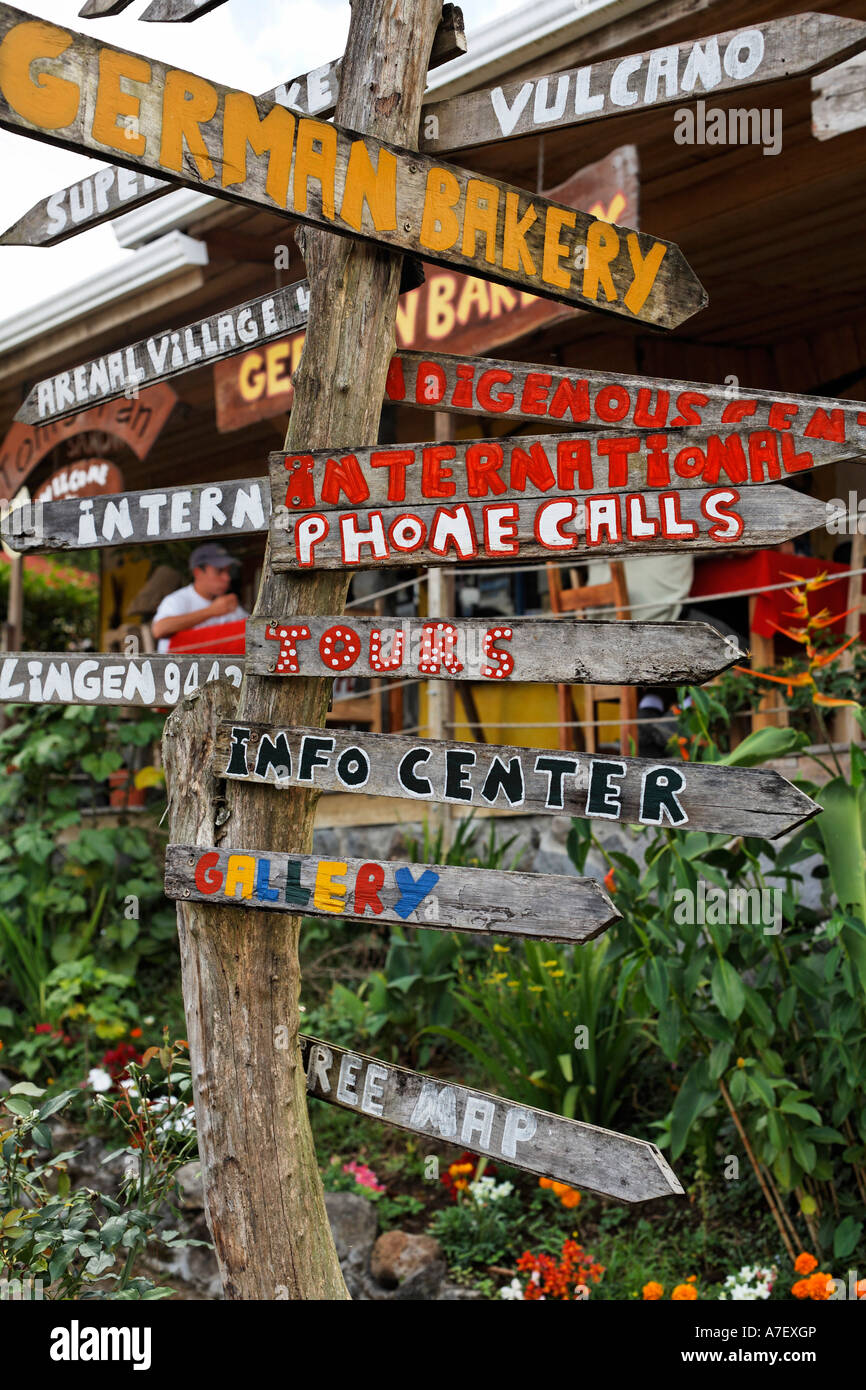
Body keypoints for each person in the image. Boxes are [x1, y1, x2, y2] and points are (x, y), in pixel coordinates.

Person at [151, 543, 247, 653]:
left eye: (228, 571)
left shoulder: (227, 603)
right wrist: (211, 611)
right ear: (198, 572)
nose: (227, 578)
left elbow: (252, 631)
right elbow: (159, 629)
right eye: (219, 571)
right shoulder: (177, 600)